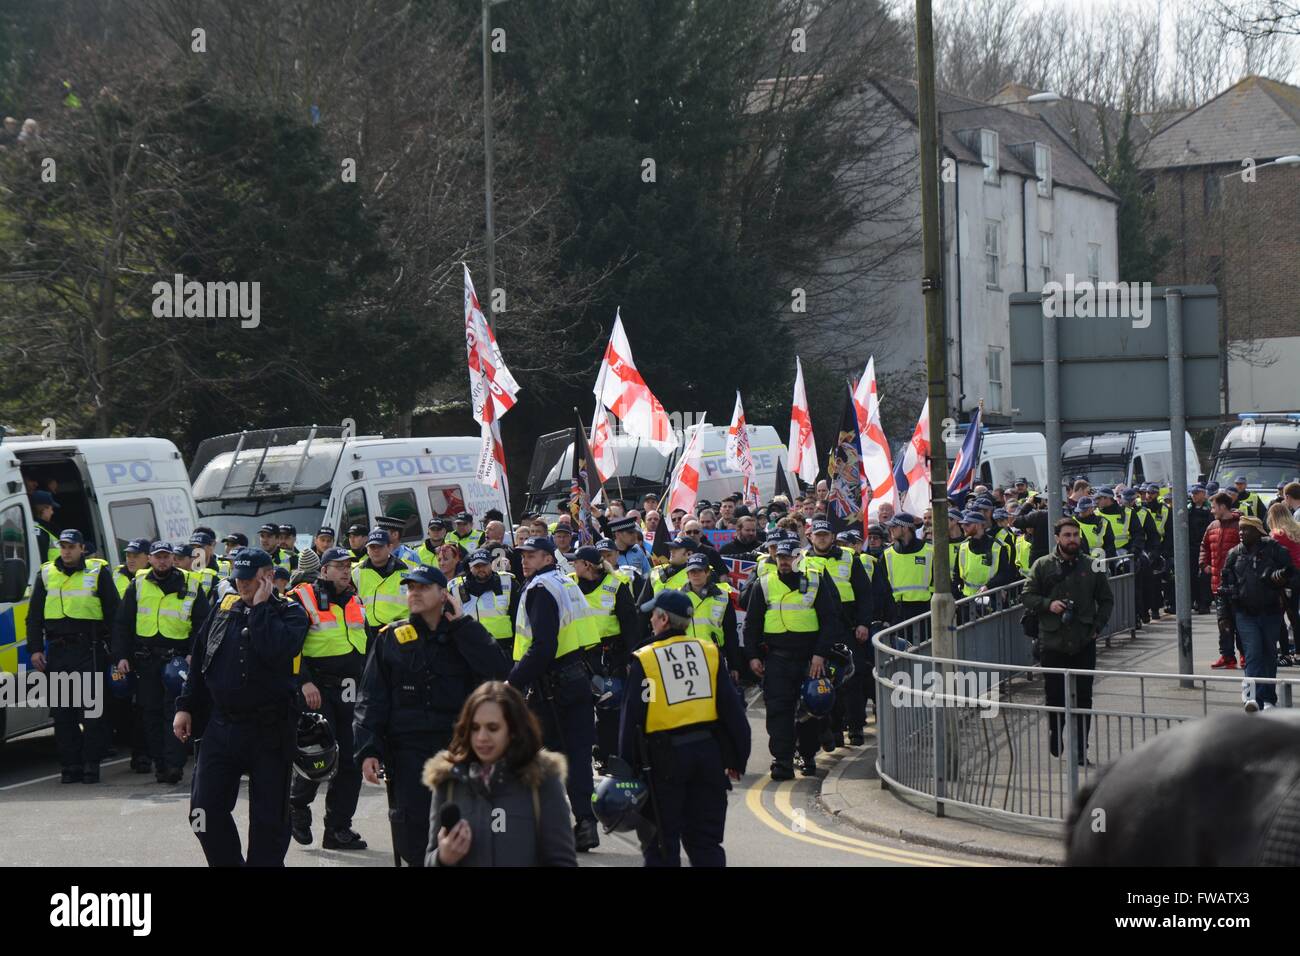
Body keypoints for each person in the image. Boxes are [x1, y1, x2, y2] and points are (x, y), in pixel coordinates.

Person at [354, 564, 510, 866]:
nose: (414, 593)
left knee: (463, 826)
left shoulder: (464, 633)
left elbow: (498, 670)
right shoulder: (392, 637)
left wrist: (463, 624)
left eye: (423, 587)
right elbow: (372, 697)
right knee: (413, 828)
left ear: (443, 595)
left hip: (460, 748)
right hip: (409, 749)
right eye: (411, 588)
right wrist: (368, 749)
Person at [174, 549, 309, 866]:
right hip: (223, 726)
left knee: (269, 821)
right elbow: (201, 660)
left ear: (266, 577)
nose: (243, 586)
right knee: (202, 813)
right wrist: (185, 706)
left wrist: (261, 609)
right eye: (239, 580)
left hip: (270, 730)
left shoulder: (290, 612)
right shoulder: (224, 608)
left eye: (249, 580)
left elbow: (275, 651)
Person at [617, 590, 750, 867]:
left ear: (664, 619)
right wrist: (737, 758)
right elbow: (732, 711)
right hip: (708, 758)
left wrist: (626, 772)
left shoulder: (646, 659)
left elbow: (633, 720)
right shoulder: (709, 653)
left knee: (662, 846)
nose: (651, 619)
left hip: (663, 764)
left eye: (654, 615)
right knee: (706, 843)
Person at [507, 536, 602, 852]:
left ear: (548, 558)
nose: (524, 560)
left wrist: (513, 683)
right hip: (575, 680)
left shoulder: (539, 590)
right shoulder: (566, 582)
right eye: (522, 555)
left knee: (535, 758)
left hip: (551, 687)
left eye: (531, 555)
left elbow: (543, 646)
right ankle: (585, 824)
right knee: (576, 756)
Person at [423, 681, 577, 867]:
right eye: (475, 728)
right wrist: (442, 858)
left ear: (512, 731)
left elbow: (562, 861)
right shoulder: (448, 781)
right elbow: (429, 858)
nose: (482, 738)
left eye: (493, 728)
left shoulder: (542, 781)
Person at [288, 547, 370, 851]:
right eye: (339, 566)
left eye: (348, 565)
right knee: (318, 754)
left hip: (352, 688)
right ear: (323, 570)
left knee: (351, 760)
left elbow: (366, 642)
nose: (346, 570)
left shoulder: (354, 599)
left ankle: (338, 829)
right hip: (317, 689)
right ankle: (297, 804)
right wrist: (305, 682)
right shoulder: (302, 598)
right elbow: (289, 647)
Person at [27, 529, 121, 783]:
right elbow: (34, 616)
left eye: (71, 547)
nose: (66, 551)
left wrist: (117, 653)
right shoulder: (46, 574)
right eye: (63, 546)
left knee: (91, 712)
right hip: (57, 651)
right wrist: (35, 648)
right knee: (62, 713)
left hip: (88, 649)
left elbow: (114, 615)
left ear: (82, 548)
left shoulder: (96, 572)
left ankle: (91, 763)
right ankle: (70, 766)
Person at [744, 540, 844, 779]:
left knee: (810, 708)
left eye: (788, 557)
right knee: (779, 710)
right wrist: (753, 657)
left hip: (810, 658)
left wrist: (820, 654)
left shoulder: (815, 581)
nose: (784, 561)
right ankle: (782, 760)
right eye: (780, 557)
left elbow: (830, 620)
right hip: (777, 658)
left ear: (799, 558)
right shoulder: (764, 584)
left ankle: (808, 756)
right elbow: (752, 624)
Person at [114, 540, 210, 783]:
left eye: (167, 556)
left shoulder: (191, 583)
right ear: (150, 559)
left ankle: (174, 765)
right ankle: (160, 763)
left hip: (177, 660)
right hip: (146, 660)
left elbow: (202, 624)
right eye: (158, 557)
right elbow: (123, 623)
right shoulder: (138, 583)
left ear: (173, 558)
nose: (162, 561)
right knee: (150, 713)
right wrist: (121, 656)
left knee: (175, 712)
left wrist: (192, 653)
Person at [1020, 518, 1114, 765]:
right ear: (1057, 538)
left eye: (1075, 535)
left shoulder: (1092, 565)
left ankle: (1081, 749)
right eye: (1067, 535)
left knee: (1084, 698)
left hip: (1084, 640)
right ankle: (1055, 732)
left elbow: (1106, 599)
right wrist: (1047, 604)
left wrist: (1097, 627)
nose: (1072, 539)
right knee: (1055, 696)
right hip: (1052, 641)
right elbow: (1027, 596)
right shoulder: (1042, 565)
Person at [802, 519, 872, 747]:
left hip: (846, 625)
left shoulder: (849, 557)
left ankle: (856, 726)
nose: (821, 538)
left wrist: (863, 623)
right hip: (817, 626)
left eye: (826, 534)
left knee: (852, 677)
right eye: (817, 534)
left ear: (833, 537)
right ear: (810, 537)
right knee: (823, 679)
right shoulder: (801, 560)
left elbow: (864, 594)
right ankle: (834, 729)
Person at [571, 545, 639, 773]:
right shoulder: (569, 583)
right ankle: (586, 755)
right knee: (579, 712)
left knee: (609, 710)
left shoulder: (615, 585)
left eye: (576, 561)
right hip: (578, 654)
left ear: (587, 565)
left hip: (609, 656)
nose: (573, 565)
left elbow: (630, 624)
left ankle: (607, 757)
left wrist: (632, 658)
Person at [1220, 516, 1295, 712]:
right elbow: (1224, 589)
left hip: (1271, 612)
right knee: (1253, 653)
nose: (1241, 533)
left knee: (1269, 653)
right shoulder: (1233, 554)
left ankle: (1268, 698)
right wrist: (1223, 617)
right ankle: (1251, 699)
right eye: (1240, 529)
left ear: (1258, 532)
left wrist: (1280, 579)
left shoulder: (1274, 549)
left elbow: (1292, 574)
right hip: (1244, 613)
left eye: (1246, 529)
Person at [677, 552, 744, 681]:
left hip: (714, 656)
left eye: (699, 570)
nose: (695, 575)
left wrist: (734, 665)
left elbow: (730, 632)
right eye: (692, 571)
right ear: (687, 574)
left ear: (707, 572)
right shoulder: (677, 596)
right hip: (684, 657)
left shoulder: (723, 596)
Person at [449, 548, 519, 659]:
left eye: (484, 565)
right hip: (471, 648)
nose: (481, 569)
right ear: (470, 567)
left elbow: (517, 618)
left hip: (503, 647)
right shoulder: (456, 588)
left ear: (491, 565)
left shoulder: (508, 582)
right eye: (477, 566)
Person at [1201, 492, 1244, 669]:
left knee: (1241, 622)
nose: (1212, 511)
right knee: (1223, 623)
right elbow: (1204, 547)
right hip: (1218, 584)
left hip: (1238, 585)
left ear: (1223, 506)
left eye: (1213, 507)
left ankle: (1244, 655)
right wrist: (1203, 564)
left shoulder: (1241, 525)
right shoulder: (1212, 526)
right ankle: (1227, 656)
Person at [352, 528, 413, 642]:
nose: (376, 550)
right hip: (368, 632)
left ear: (390, 547)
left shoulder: (409, 571)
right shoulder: (356, 572)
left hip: (401, 630)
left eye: (380, 546)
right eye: (372, 547)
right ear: (367, 549)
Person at [881, 513, 934, 629]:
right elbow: (882, 588)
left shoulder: (929, 550)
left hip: (925, 611)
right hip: (898, 613)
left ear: (905, 528)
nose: (891, 529)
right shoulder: (887, 554)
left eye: (894, 527)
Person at [1267, 503, 1300, 664]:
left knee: (1279, 616)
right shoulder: (1297, 529)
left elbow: (1272, 558)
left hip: (1285, 577)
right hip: (1298, 575)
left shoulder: (1277, 534)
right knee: (1295, 615)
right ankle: (1298, 653)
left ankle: (1285, 654)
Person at [1187, 484, 1214, 613]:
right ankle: (1194, 600)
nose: (1194, 495)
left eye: (1196, 493)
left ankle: (1204, 603)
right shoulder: (1188, 509)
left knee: (1204, 576)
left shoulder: (1210, 509)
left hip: (1205, 547)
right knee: (1191, 576)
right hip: (1191, 547)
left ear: (1204, 494)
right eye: (1193, 493)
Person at [30, 489, 61, 564]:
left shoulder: (40, 528)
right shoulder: (40, 532)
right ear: (44, 509)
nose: (52, 512)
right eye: (51, 508)